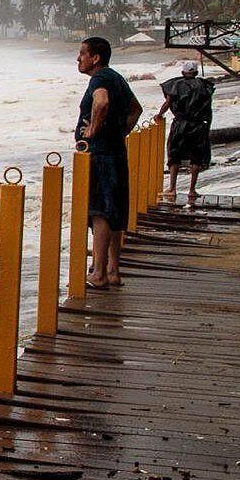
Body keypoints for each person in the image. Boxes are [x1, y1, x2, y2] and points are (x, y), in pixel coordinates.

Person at [75, 36, 141, 290]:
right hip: (115, 150)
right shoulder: (116, 77)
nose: (78, 59)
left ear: (96, 58)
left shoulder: (100, 79)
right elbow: (136, 109)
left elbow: (101, 102)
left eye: (82, 53)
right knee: (114, 209)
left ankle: (99, 274)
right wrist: (119, 132)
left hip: (100, 153)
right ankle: (113, 270)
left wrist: (93, 130)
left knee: (99, 212)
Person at [155, 60, 214, 206]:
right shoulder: (204, 86)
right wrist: (208, 125)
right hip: (199, 125)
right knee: (196, 157)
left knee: (174, 155)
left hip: (180, 124)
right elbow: (208, 109)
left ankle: (172, 188)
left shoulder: (176, 85)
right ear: (196, 72)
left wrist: (159, 115)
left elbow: (168, 103)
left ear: (183, 72)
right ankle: (192, 189)